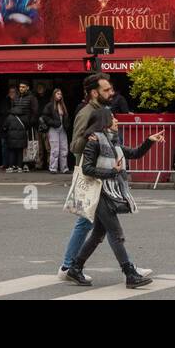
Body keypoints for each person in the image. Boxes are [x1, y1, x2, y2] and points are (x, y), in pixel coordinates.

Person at [63, 112, 160, 289]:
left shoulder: (112, 142)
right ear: (104, 121)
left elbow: (135, 153)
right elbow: (87, 169)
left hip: (109, 192)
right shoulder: (94, 141)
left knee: (98, 234)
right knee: (116, 234)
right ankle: (130, 273)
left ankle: (75, 268)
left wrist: (150, 140)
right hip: (100, 193)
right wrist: (112, 172)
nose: (117, 120)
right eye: (113, 118)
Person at [60, 73, 113, 282]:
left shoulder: (101, 111)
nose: (111, 93)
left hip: (102, 172)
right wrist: (89, 136)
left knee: (96, 223)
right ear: (94, 92)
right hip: (90, 174)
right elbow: (74, 146)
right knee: (88, 223)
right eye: (106, 90)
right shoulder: (86, 112)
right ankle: (68, 265)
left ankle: (69, 265)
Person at [41, 87, 69, 174]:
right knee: (55, 149)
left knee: (64, 148)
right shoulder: (49, 105)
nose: (59, 96)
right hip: (53, 129)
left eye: (60, 94)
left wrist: (67, 125)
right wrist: (52, 123)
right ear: (54, 95)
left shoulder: (63, 105)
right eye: (57, 94)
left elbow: (66, 117)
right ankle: (53, 168)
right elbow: (44, 116)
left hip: (62, 129)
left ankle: (64, 168)